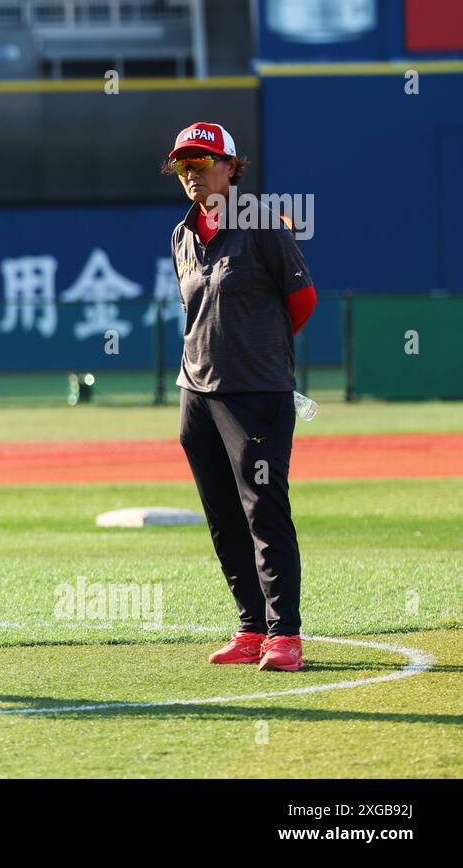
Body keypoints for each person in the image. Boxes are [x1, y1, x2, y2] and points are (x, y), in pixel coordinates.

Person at [163, 122, 316, 671]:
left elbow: (303, 300)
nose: (191, 174)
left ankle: (285, 635)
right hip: (196, 393)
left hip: (255, 393)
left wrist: (262, 357)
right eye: (183, 165)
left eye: (202, 163)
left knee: (263, 511)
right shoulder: (181, 234)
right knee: (223, 516)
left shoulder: (262, 224)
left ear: (231, 167)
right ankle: (251, 627)